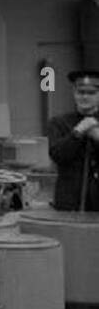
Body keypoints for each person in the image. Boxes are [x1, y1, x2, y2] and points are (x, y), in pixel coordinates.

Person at [46, 68, 99, 211]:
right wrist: (77, 132)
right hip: (69, 200)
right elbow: (58, 155)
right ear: (74, 94)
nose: (85, 97)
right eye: (81, 92)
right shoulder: (59, 122)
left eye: (91, 93)